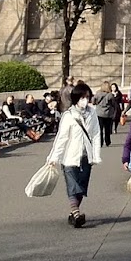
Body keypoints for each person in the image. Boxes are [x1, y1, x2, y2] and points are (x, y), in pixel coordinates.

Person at [48, 85, 102, 227]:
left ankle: (74, 214)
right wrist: (54, 157)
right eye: (83, 97)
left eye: (87, 97)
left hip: (86, 156)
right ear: (76, 99)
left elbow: (96, 134)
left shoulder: (92, 113)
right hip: (70, 156)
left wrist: (96, 155)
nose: (85, 100)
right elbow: (62, 138)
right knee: (73, 185)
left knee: (82, 187)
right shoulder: (68, 115)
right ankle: (76, 212)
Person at [91, 80, 115, 145]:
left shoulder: (98, 93)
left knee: (99, 129)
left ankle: (100, 141)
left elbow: (93, 101)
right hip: (108, 114)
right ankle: (107, 141)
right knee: (107, 128)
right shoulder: (110, 95)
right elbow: (113, 103)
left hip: (99, 113)